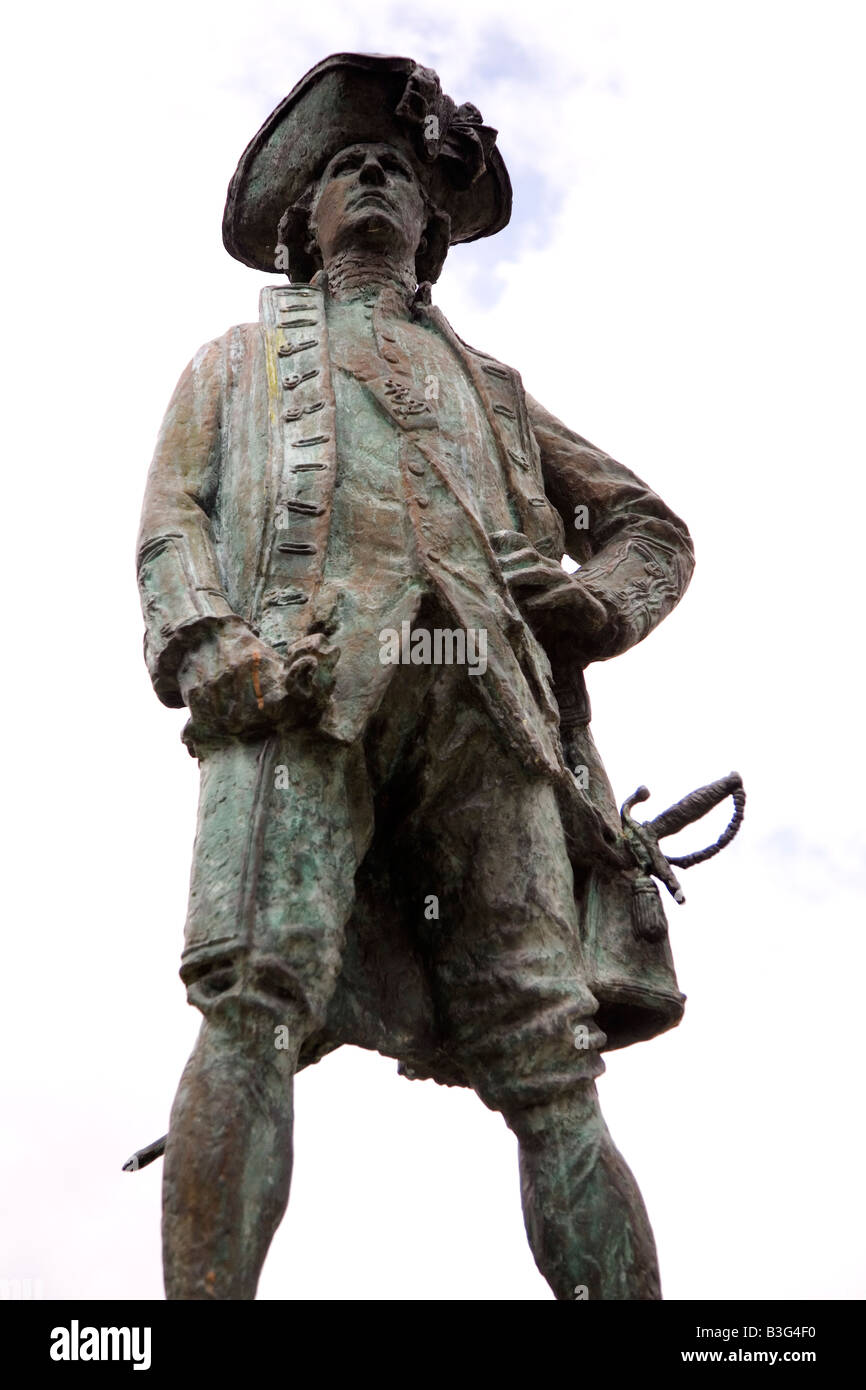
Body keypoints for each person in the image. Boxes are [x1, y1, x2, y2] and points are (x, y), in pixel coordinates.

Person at [137, 53, 695, 1300]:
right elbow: (175, 518)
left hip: (487, 707)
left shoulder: (495, 393)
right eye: (349, 167)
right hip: (301, 684)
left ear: (431, 232)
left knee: (550, 1061)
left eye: (394, 166)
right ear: (306, 222)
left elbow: (648, 526)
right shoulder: (232, 366)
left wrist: (597, 602)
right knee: (251, 997)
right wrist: (202, 641)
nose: (376, 176)